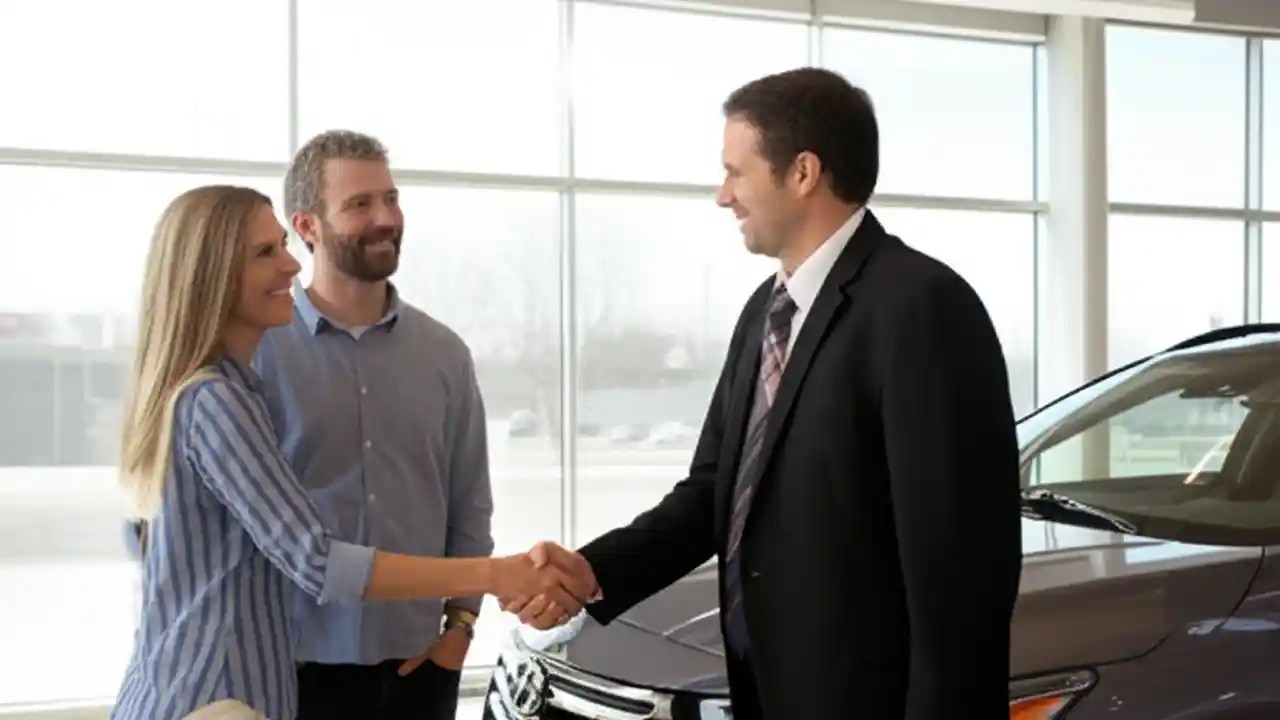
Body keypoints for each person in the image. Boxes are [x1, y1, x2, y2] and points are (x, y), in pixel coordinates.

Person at [505, 67, 1023, 719]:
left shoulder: (923, 308)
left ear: (802, 172)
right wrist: (592, 571)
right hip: (768, 691)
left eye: (736, 171)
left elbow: (960, 569)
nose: (724, 196)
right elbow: (714, 491)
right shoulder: (766, 310)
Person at [111, 185, 590, 720]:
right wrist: (499, 575)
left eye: (283, 245)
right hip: (215, 698)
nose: (292, 265)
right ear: (212, 275)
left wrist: (460, 622)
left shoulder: (220, 392)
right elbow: (317, 561)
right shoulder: (216, 401)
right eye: (264, 253)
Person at [248, 129, 493, 720]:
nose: (385, 217)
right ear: (306, 226)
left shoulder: (444, 354)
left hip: (420, 668)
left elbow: (468, 502)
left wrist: (460, 626)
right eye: (359, 204)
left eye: (391, 198)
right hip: (292, 670)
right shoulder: (259, 353)